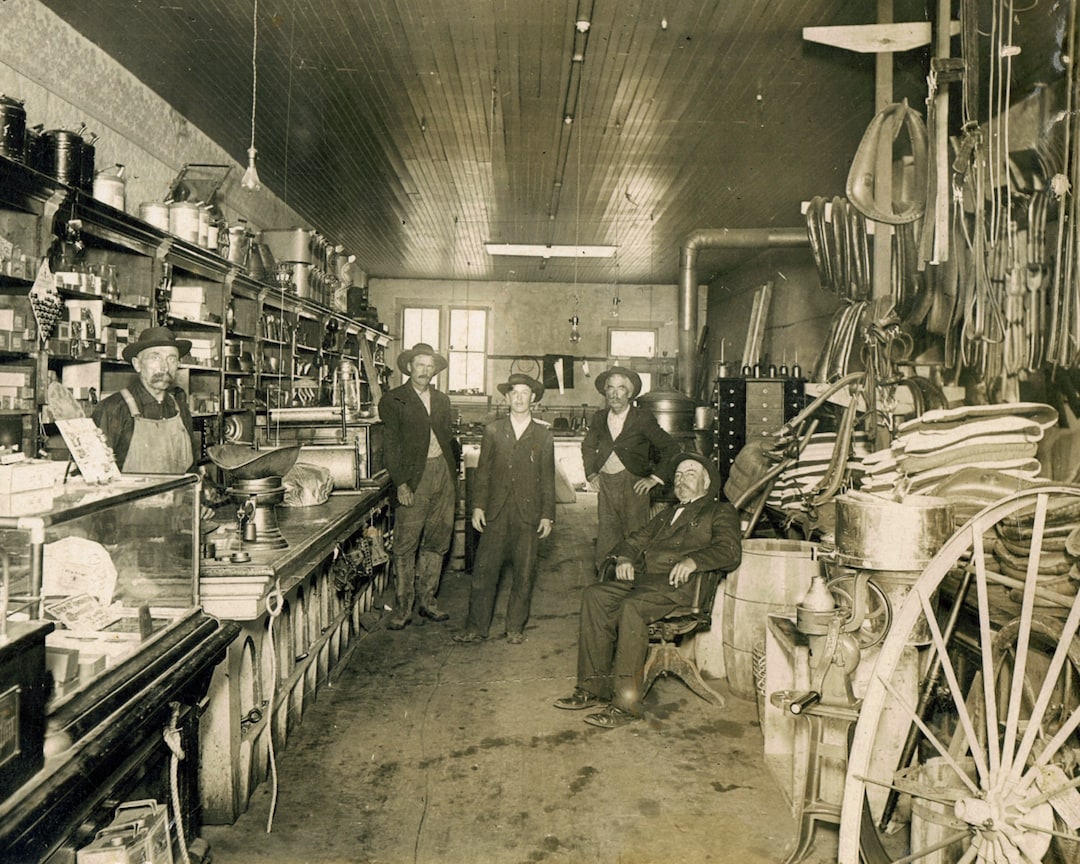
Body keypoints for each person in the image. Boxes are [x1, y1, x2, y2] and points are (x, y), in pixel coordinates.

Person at [554, 451, 741, 728]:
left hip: (681, 589)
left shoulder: (719, 511)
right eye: (678, 475)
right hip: (647, 583)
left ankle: (626, 705)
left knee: (632, 607)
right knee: (595, 596)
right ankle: (593, 688)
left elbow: (730, 550)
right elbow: (634, 540)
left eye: (690, 474)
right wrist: (624, 558)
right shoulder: (667, 515)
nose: (681, 480)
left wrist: (694, 560)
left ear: (707, 482)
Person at [454, 373, 555, 645]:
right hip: (496, 512)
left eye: (525, 393)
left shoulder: (544, 435)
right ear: (507, 398)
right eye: (514, 393)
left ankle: (515, 627)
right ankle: (476, 627)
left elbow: (548, 478)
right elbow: (483, 473)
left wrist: (547, 515)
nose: (519, 398)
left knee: (524, 573)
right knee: (484, 572)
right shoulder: (493, 430)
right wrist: (478, 507)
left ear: (533, 398)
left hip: (528, 513)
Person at [379, 342, 457, 629]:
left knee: (437, 540)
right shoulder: (394, 400)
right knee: (405, 544)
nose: (425, 371)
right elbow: (390, 446)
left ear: (434, 370)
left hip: (442, 473)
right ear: (409, 367)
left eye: (430, 366)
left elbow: (447, 439)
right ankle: (403, 608)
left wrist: (452, 475)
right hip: (413, 477)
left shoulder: (442, 400)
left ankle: (428, 601)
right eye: (420, 365)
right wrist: (401, 483)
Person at [581, 366, 680, 571]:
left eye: (621, 389)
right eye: (610, 388)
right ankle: (606, 576)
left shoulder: (642, 418)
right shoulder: (600, 417)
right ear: (605, 392)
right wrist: (591, 474)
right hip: (606, 483)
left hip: (634, 482)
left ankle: (636, 578)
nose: (614, 394)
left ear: (630, 393)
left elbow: (671, 447)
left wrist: (655, 478)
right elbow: (588, 446)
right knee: (607, 532)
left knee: (635, 533)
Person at [91, 326, 195, 473]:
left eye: (171, 359)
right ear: (137, 364)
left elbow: (192, 471)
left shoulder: (180, 409)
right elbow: (94, 472)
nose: (165, 367)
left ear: (178, 364)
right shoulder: (114, 408)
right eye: (155, 357)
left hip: (177, 489)